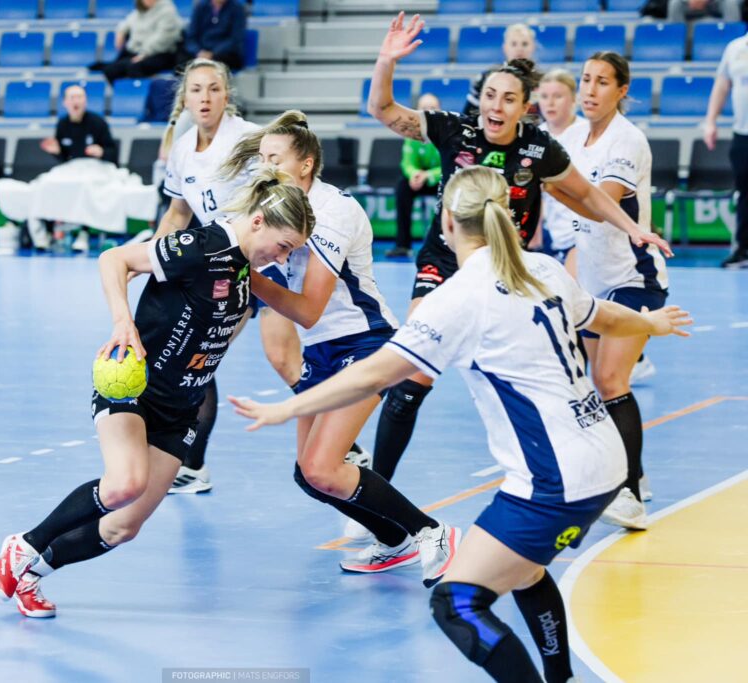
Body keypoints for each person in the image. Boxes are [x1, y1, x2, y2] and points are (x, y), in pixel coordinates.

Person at [230, 165, 692, 683]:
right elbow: (604, 318)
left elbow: (376, 372)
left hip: (554, 478)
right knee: (525, 569)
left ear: (446, 221)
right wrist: (651, 322)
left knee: (458, 603)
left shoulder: (458, 297)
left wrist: (286, 409)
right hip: (604, 458)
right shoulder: (542, 267)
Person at [364, 14, 672, 493]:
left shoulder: (539, 148)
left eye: (509, 99)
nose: (496, 105)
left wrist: (635, 228)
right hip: (444, 264)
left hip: (510, 271)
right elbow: (382, 108)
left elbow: (590, 196)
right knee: (411, 377)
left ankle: (598, 477)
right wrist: (386, 59)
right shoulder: (453, 131)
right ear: (480, 100)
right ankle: (376, 497)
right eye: (490, 95)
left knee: (535, 377)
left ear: (524, 107)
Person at [0, 168, 314, 618]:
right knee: (125, 483)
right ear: (258, 221)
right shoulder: (201, 246)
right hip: (134, 387)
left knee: (124, 526)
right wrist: (123, 320)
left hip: (180, 407)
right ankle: (23, 545)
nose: (281, 257)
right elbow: (114, 260)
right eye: (283, 246)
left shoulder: (246, 270)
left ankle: (31, 574)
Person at [219, 110, 459, 580]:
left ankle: (432, 531)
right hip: (323, 351)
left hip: (366, 343)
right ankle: (394, 542)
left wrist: (245, 274)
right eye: (261, 157)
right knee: (309, 476)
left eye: (275, 158)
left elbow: (307, 309)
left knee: (324, 468)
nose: (263, 166)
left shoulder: (332, 211)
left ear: (305, 164)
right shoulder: (275, 210)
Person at [556, 52, 670, 529]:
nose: (591, 89)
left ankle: (629, 497)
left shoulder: (628, 140)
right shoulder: (572, 137)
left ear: (622, 91)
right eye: (585, 79)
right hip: (594, 281)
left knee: (610, 382)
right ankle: (633, 477)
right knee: (585, 381)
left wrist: (548, 184)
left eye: (602, 82)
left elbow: (601, 200)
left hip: (635, 278)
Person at [153, 58, 260, 493]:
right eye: (196, 90)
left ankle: (343, 443)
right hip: (208, 266)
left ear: (226, 95)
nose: (205, 98)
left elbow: (273, 202)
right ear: (185, 98)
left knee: (282, 357)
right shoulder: (182, 149)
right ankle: (193, 465)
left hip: (252, 266)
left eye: (213, 89)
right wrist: (152, 259)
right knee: (201, 359)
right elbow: (178, 212)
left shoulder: (250, 140)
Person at [38, 85, 119, 253]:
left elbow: (113, 153)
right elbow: (64, 158)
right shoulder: (62, 124)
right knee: (45, 183)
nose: (76, 101)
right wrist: (57, 152)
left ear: (85, 101)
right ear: (65, 102)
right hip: (71, 168)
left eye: (79, 97)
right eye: (72, 97)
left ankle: (84, 233)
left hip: (95, 167)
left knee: (85, 185)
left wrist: (102, 152)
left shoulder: (98, 122)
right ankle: (46, 233)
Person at [704, 31, 748, 268]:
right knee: (744, 193)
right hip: (743, 134)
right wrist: (711, 120)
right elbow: (722, 85)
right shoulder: (735, 48)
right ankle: (743, 249)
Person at [534, 70, 579, 275]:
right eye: (544, 97)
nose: (550, 103)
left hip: (581, 233)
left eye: (558, 96)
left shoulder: (586, 133)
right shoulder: (535, 137)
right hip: (551, 233)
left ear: (573, 99)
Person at [388, 92, 442, 259]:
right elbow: (407, 162)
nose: (428, 112)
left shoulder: (446, 132)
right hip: (419, 179)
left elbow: (449, 164)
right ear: (416, 112)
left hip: (439, 178)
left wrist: (429, 175)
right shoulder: (412, 133)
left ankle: (442, 244)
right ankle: (402, 245)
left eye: (433, 108)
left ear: (440, 111)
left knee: (450, 187)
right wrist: (414, 174)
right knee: (402, 187)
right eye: (424, 108)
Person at [91, 0, 183, 83]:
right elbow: (128, 21)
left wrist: (144, 53)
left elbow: (164, 38)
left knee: (133, 68)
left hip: (159, 53)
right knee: (109, 70)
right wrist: (121, 31)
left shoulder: (167, 11)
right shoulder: (141, 9)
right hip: (137, 51)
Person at [462, 24, 537, 121]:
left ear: (533, 47)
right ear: (505, 47)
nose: (519, 48)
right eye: (514, 44)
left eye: (525, 44)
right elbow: (468, 116)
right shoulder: (486, 78)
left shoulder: (543, 81)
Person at [179, 0, 247, 72]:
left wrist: (212, 54)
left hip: (224, 53)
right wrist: (198, 51)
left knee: (218, 62)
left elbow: (235, 39)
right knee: (181, 62)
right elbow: (191, 36)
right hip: (201, 51)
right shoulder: (200, 6)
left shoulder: (237, 8)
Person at [667, 0, 740, 22]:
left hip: (715, 3)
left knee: (731, 2)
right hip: (689, 3)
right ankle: (675, 42)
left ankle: (733, 44)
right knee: (675, 3)